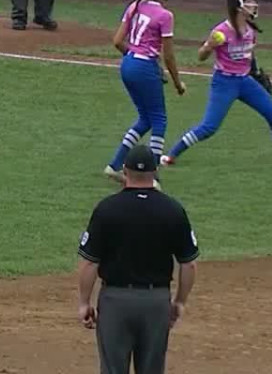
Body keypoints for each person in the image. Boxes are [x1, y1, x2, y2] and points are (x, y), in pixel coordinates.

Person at [77, 144, 199, 374]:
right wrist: (180, 302)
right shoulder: (172, 210)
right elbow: (189, 263)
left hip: (115, 302)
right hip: (156, 302)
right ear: (154, 172)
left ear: (125, 171)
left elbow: (90, 262)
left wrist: (84, 302)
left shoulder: (107, 209)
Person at [161, 0, 272, 166]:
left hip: (244, 81)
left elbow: (248, 56)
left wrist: (256, 73)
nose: (253, 5)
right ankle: (172, 155)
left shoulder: (250, 30)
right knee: (209, 127)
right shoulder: (221, 32)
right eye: (248, 2)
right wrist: (209, 46)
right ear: (238, 8)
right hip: (224, 82)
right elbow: (201, 56)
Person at [104, 0, 185, 183]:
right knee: (159, 120)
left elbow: (117, 41)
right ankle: (152, 175)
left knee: (145, 119)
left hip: (128, 64)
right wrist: (178, 83)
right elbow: (168, 56)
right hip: (144, 66)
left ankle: (115, 164)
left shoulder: (135, 6)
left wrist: (134, 56)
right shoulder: (165, 15)